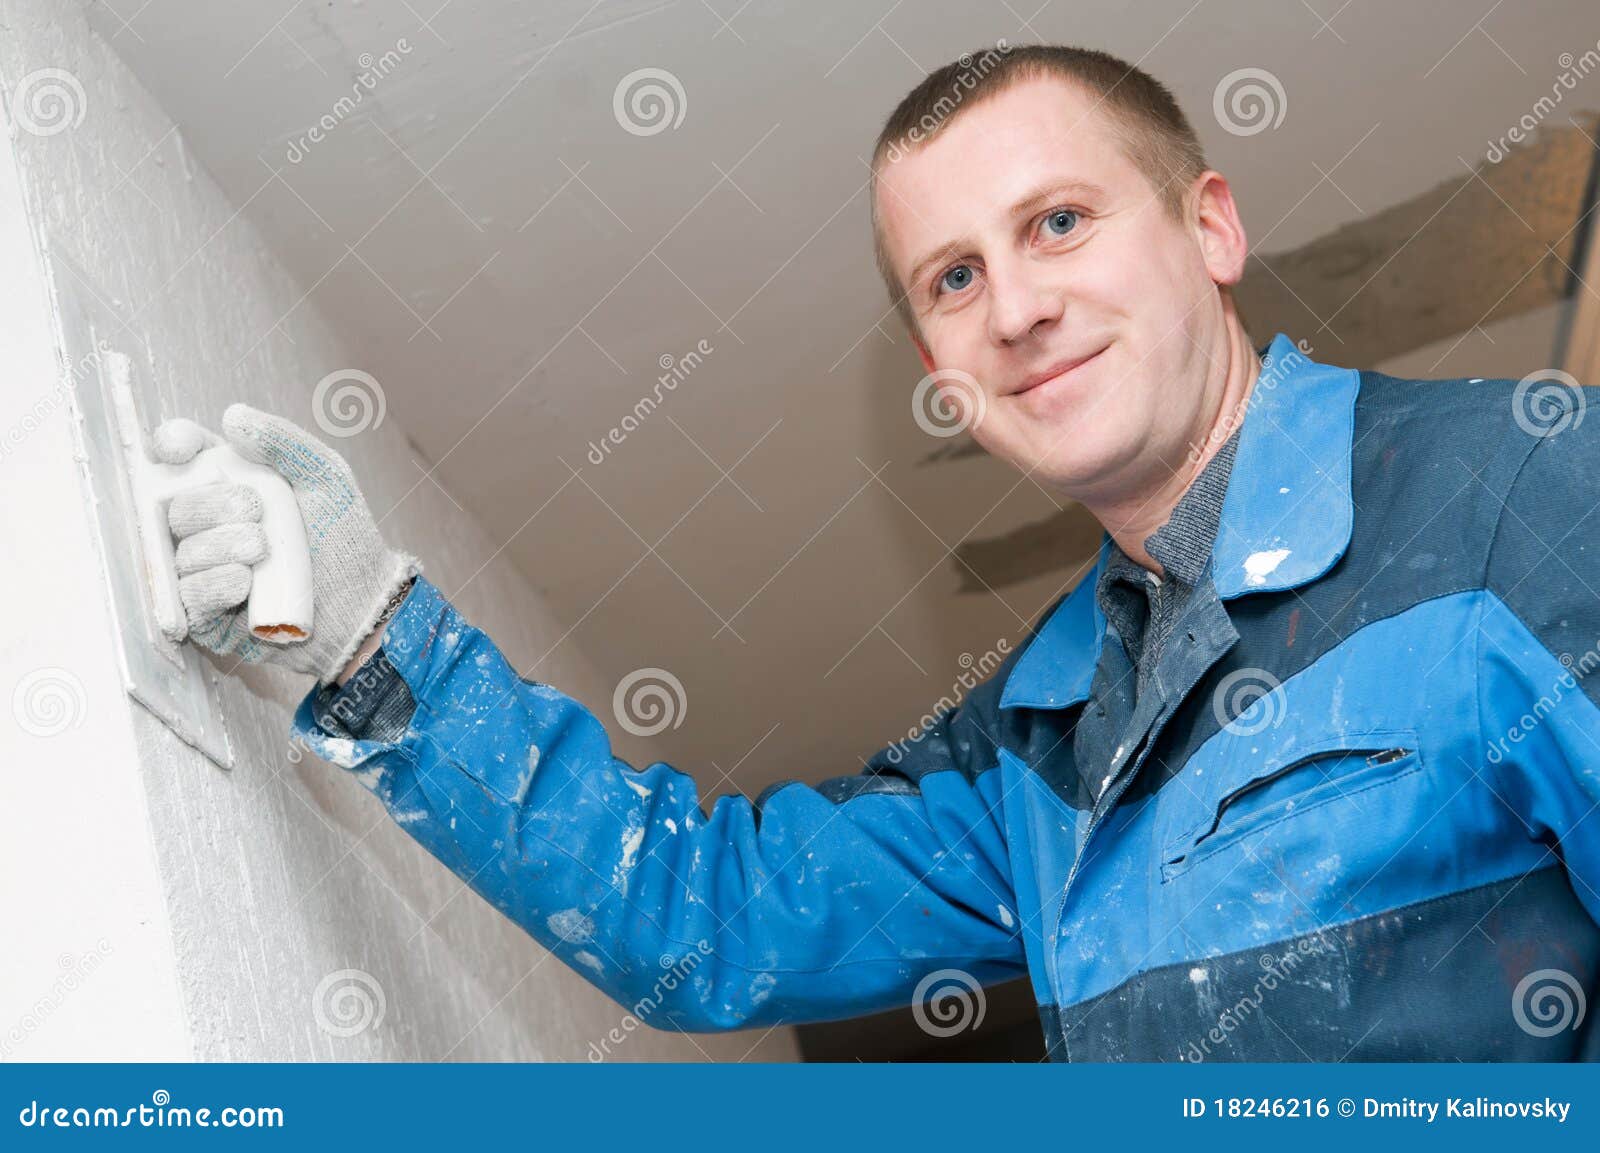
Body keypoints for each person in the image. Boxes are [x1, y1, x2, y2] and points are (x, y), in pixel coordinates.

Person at [156, 44, 1600, 1060]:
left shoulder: (1525, 486)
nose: (1018, 307)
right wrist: (362, 631)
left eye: (1060, 222)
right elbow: (707, 922)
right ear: (937, 362)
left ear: (1209, 225)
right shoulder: (1040, 731)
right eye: (956, 277)